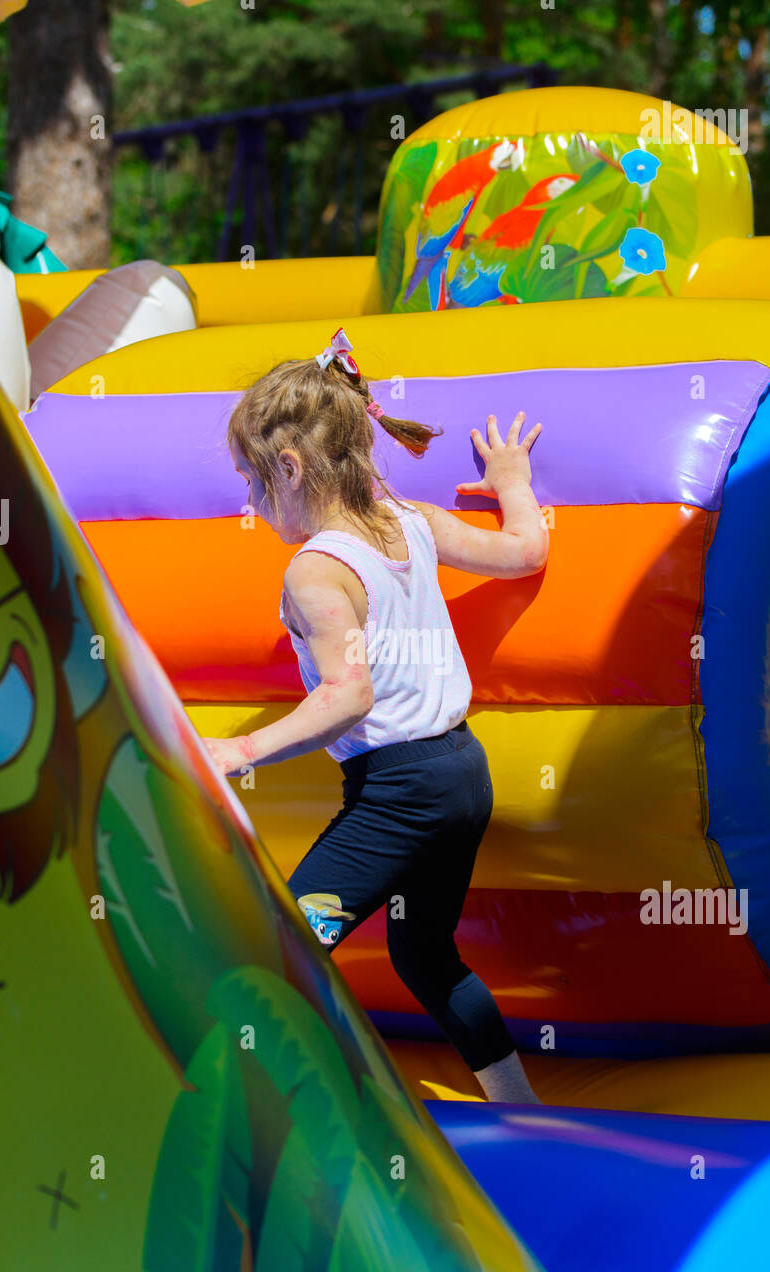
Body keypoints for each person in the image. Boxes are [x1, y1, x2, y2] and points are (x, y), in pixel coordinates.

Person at [204, 329, 548, 1104]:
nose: (253, 506)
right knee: (425, 956)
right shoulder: (413, 522)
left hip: (400, 792)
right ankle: (524, 1112)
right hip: (462, 774)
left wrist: (241, 749)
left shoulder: (316, 567)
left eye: (253, 485)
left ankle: (315, 1122)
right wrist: (512, 480)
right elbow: (526, 550)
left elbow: (347, 694)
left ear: (288, 470)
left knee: (285, 952)